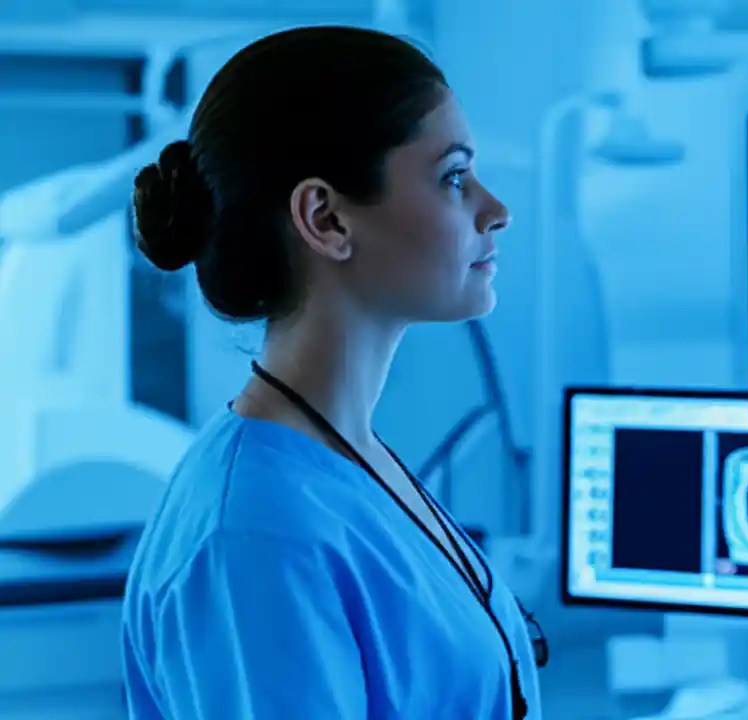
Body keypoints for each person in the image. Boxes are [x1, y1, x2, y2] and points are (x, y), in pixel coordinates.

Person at [121, 26, 543, 719]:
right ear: (325, 218)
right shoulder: (255, 534)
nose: (495, 211)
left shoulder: (348, 458)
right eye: (455, 178)